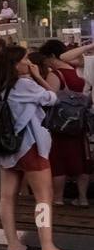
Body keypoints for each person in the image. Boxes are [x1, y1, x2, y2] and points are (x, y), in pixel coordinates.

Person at [0, 45, 76, 250]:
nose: (30, 62)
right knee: (44, 197)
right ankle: (47, 246)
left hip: (5, 148)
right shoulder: (25, 84)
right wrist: (37, 76)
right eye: (25, 59)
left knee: (7, 197)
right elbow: (53, 98)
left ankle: (13, 244)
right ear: (16, 64)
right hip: (29, 146)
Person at [35, 39, 94, 207]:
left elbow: (50, 98)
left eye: (46, 58)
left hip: (60, 124)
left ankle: (58, 198)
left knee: (59, 161)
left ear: (51, 56)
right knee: (82, 160)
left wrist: (40, 80)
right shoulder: (79, 71)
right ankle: (82, 198)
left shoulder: (56, 74)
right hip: (79, 122)